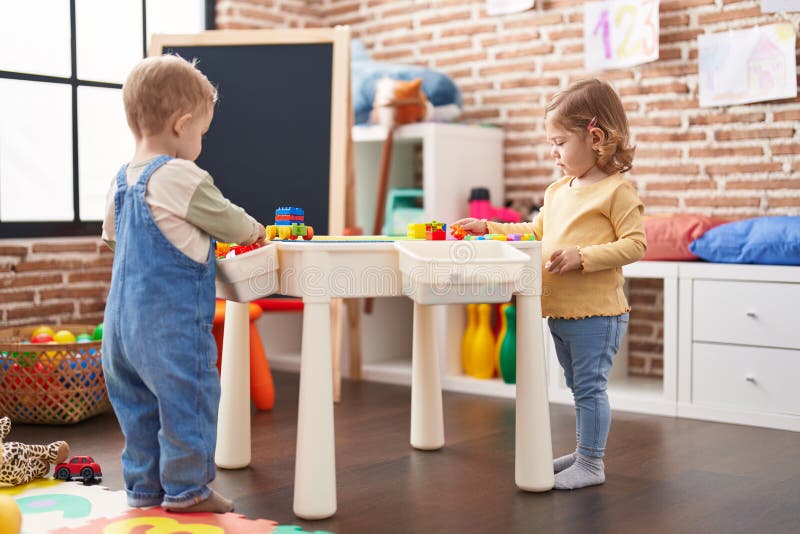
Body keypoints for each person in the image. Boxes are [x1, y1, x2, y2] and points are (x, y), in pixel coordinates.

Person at [454, 78, 646, 490]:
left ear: (594, 138)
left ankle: (592, 464)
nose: (552, 152)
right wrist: (489, 226)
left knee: (590, 389)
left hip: (598, 313)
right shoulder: (558, 191)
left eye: (559, 141)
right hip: (560, 310)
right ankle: (583, 452)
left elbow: (635, 244)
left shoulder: (617, 192)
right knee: (579, 388)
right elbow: (535, 229)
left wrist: (584, 256)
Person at [101, 54, 266, 512]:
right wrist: (257, 231)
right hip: (168, 327)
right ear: (182, 123)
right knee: (187, 402)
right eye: (202, 133)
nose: (201, 142)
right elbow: (230, 222)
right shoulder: (181, 176)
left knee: (137, 410)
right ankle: (189, 490)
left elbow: (115, 239)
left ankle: (144, 489)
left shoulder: (120, 181)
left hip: (118, 330)